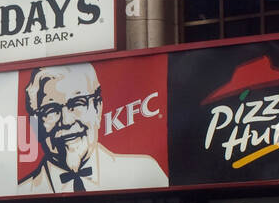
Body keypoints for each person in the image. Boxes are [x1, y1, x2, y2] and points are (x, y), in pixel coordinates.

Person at [18, 63, 167, 193]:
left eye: (77, 103)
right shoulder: (21, 192)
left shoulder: (146, 171)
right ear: (35, 123)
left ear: (98, 108)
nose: (66, 121)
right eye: (50, 110)